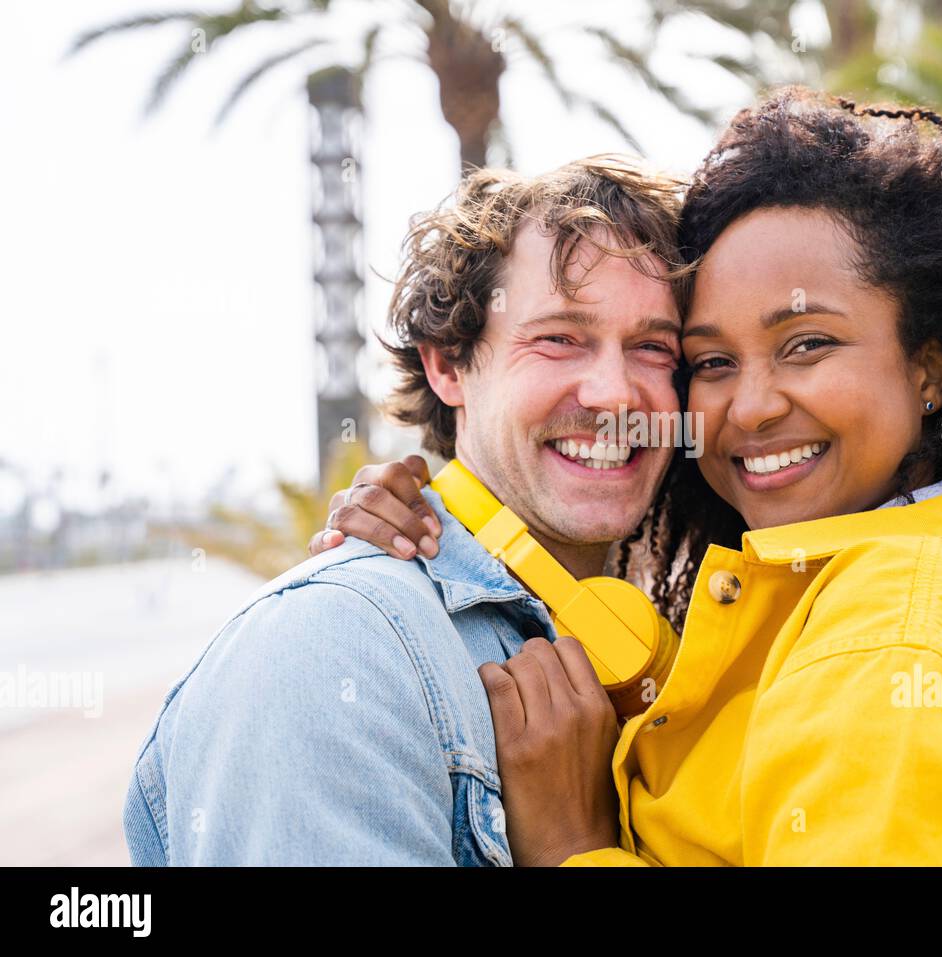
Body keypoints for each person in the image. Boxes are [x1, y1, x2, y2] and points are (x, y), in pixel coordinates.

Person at [317, 88, 942, 866]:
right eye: (710, 360)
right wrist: (436, 515)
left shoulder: (902, 646)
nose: (753, 407)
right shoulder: (811, 600)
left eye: (807, 344)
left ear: (927, 371)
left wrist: (575, 844)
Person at [122, 155, 689, 865]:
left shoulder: (665, 626)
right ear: (447, 366)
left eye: (652, 347)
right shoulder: (330, 647)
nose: (616, 394)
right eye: (559, 338)